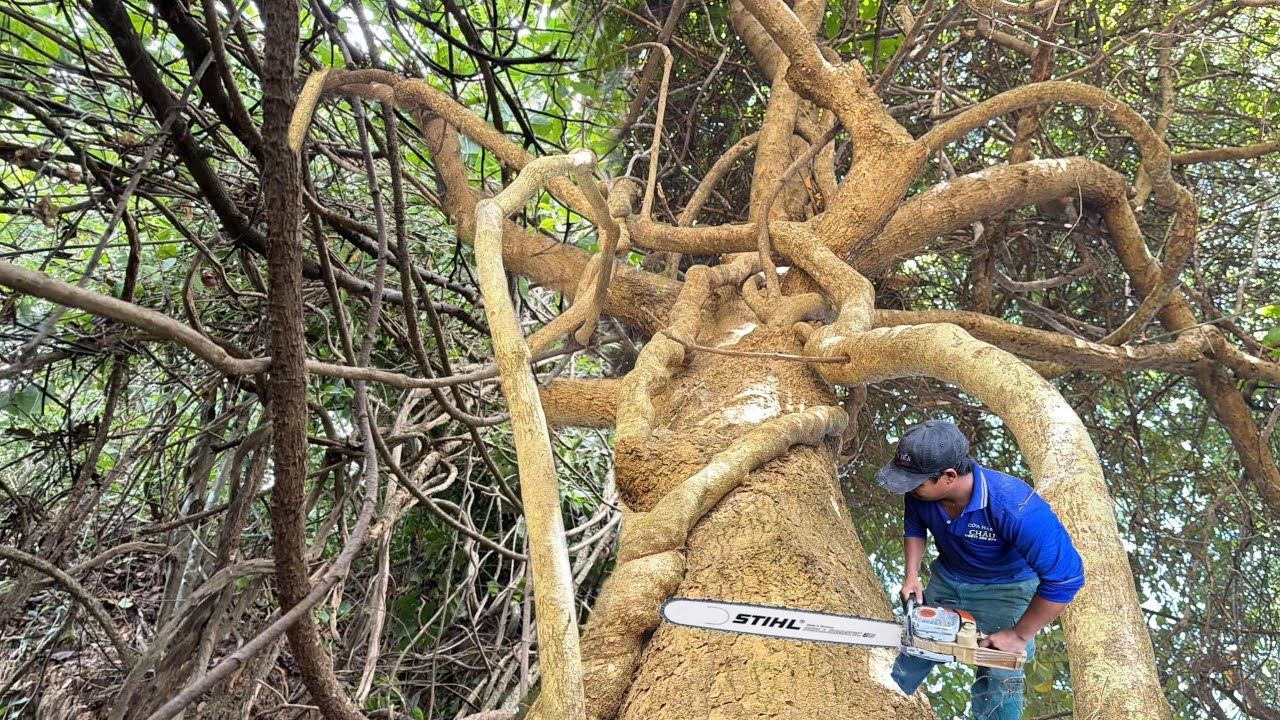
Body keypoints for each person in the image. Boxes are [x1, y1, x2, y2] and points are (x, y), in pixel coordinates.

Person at [876, 419, 1085, 719]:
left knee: (999, 673)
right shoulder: (920, 492)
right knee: (916, 642)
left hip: (1007, 592)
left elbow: (1066, 579)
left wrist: (1019, 635)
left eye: (916, 483)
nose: (908, 489)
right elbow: (915, 526)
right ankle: (882, 700)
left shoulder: (1015, 508)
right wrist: (912, 575)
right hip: (948, 580)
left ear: (948, 476)